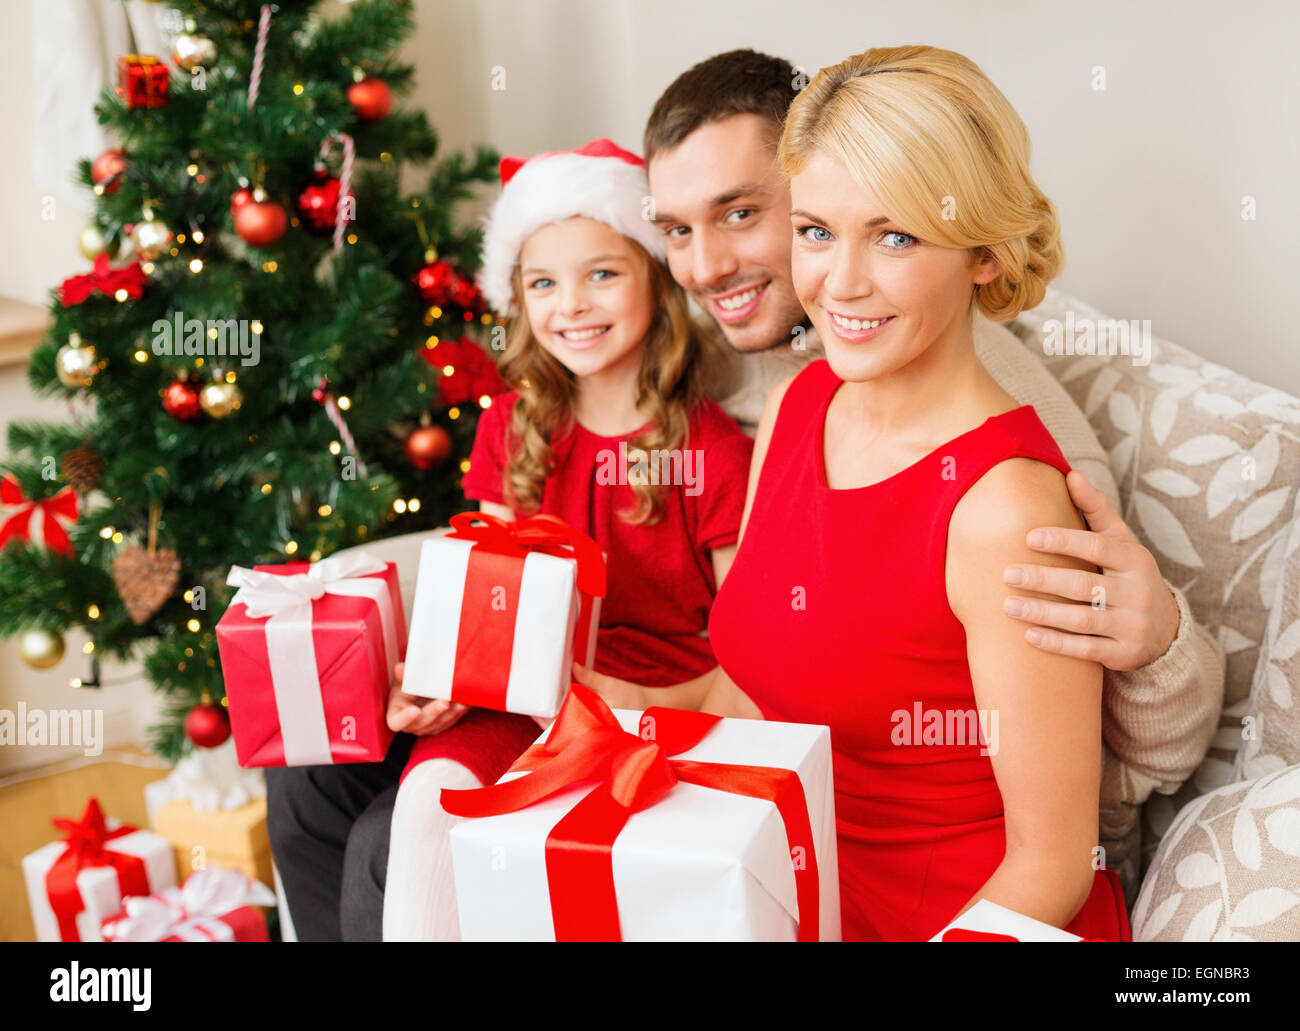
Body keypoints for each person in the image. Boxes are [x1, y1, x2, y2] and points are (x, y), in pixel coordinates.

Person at [574, 48, 1224, 902]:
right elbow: (747, 694)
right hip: (781, 880)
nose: (839, 283)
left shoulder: (1008, 504)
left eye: (895, 236)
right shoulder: (800, 402)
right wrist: (583, 694)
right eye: (815, 231)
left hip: (957, 910)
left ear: (984, 253)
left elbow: (1052, 864)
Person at [269, 140, 753, 940]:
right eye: (542, 283)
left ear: (656, 280)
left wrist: (627, 700)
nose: (572, 304)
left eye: (603, 272)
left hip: (643, 713)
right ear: (519, 300)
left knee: (410, 825)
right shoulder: (513, 425)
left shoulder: (713, 454)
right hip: (526, 699)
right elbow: (481, 613)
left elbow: (750, 654)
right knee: (318, 779)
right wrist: (429, 684)